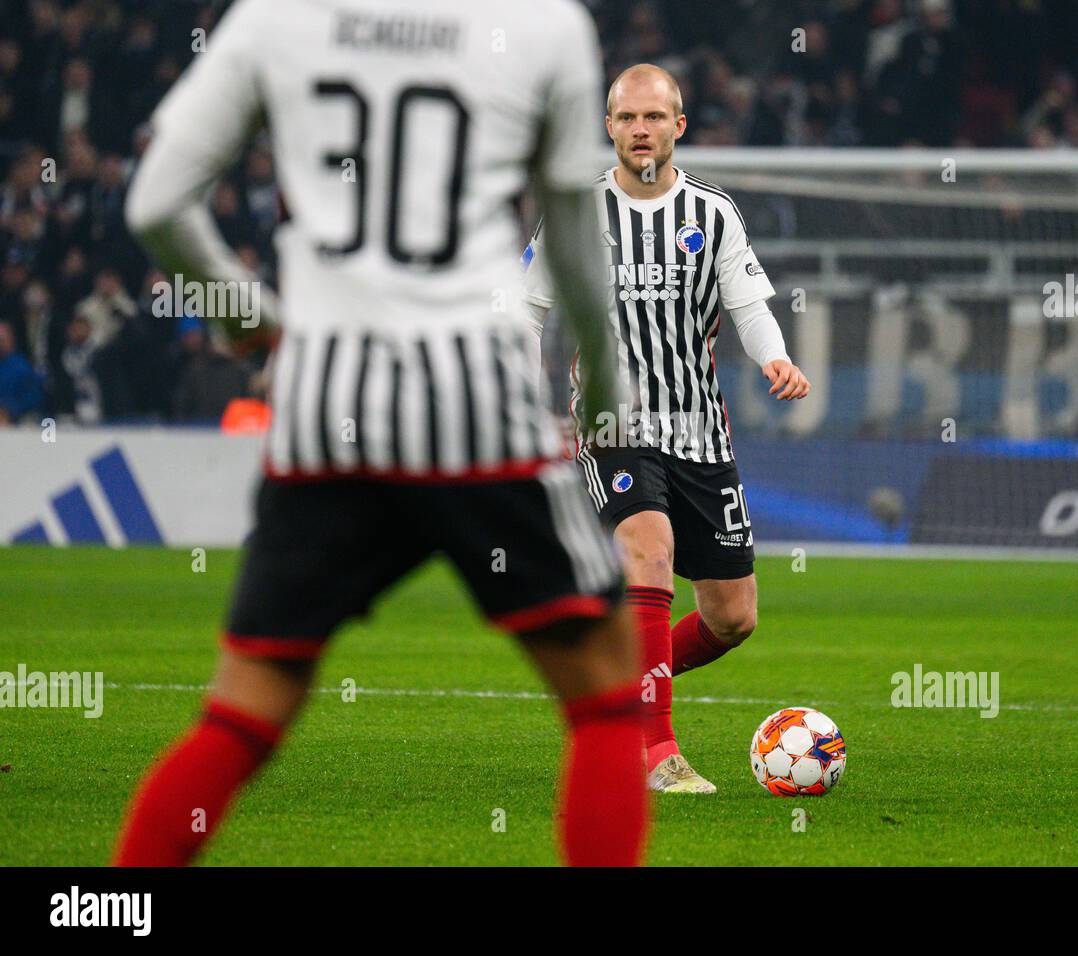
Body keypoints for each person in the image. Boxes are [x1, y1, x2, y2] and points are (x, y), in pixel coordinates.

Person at [111, 0, 646, 867]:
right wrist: (603, 394)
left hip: (327, 408)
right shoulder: (545, 25)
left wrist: (245, 316)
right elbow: (576, 243)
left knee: (244, 710)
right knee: (603, 694)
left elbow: (158, 206)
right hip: (477, 408)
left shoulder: (275, 18)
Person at [522, 64, 811, 793]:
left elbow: (746, 306)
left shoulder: (713, 213)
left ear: (679, 126)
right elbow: (524, 310)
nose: (640, 129)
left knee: (734, 616)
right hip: (612, 421)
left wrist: (776, 359)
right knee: (647, 549)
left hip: (700, 432)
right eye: (626, 118)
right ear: (610, 127)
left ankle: (620, 681)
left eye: (654, 117)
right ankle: (655, 753)